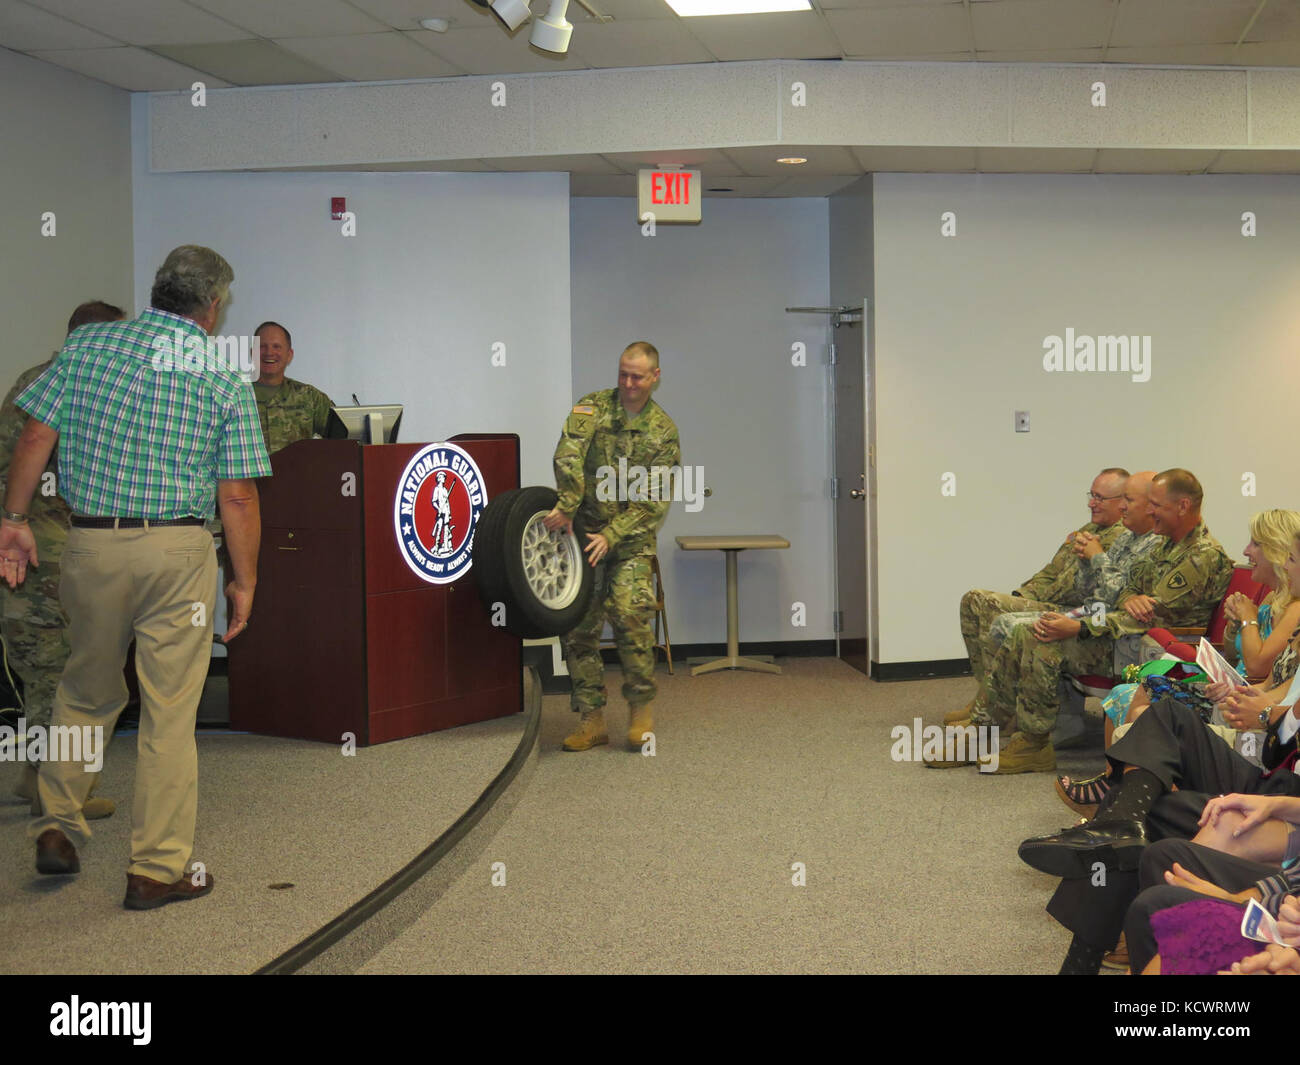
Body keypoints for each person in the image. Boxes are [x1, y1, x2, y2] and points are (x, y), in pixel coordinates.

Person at [0, 245, 271, 909]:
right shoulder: (219, 368)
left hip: (91, 546)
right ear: (212, 307)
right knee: (169, 715)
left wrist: (13, 517)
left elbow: (35, 435)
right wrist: (246, 580)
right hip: (178, 553)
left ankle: (58, 824)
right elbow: (236, 496)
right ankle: (156, 868)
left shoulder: (89, 344)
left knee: (83, 691)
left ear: (157, 291)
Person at [977, 469, 1234, 774]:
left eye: (1156, 505)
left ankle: (1030, 744)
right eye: (1148, 503)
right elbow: (1125, 590)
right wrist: (1128, 598)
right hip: (1124, 637)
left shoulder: (1200, 556)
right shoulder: (1165, 543)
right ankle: (994, 726)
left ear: (1183, 506)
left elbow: (1149, 617)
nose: (1149, 511)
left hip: (1152, 653)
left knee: (1038, 639)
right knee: (1036, 631)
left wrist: (1082, 626)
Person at [930, 472, 1162, 770]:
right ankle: (985, 721)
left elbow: (1122, 604)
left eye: (1129, 500)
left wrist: (1094, 570)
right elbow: (1098, 592)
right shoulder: (1126, 538)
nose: (1123, 508)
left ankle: (1018, 738)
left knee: (1028, 632)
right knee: (1013, 620)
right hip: (1095, 620)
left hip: (1119, 642)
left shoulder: (1155, 546)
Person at [3, 301, 125, 821]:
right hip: (54, 548)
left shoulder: (32, 379)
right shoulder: (80, 383)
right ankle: (61, 796)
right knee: (70, 670)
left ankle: (34, 779)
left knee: (38, 666)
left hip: (21, 544)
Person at [543, 342, 680, 752]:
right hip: (584, 535)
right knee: (577, 626)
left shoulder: (663, 432)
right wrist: (567, 505)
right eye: (623, 373)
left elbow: (653, 502)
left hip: (630, 540)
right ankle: (592, 719)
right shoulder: (593, 407)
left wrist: (613, 535)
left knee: (628, 613)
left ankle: (640, 710)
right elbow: (568, 455)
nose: (628, 383)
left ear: (655, 377)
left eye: (637, 376)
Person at [950, 468, 1129, 727]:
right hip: (1053, 601)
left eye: (1100, 498)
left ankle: (998, 707)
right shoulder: (1090, 529)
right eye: (1092, 495)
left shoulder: (1120, 538)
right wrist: (1023, 596)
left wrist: (1025, 603)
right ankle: (986, 696)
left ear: (1122, 502)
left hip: (1076, 610)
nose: (1092, 503)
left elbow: (1087, 592)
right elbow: (1051, 571)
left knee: (987, 605)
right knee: (974, 600)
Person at [251, 321, 334, 454]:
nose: (269, 352)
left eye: (276, 346)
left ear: (289, 355)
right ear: (252, 353)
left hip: (296, 474)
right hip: (249, 475)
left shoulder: (310, 397)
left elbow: (343, 441)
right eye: (262, 346)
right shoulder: (233, 398)